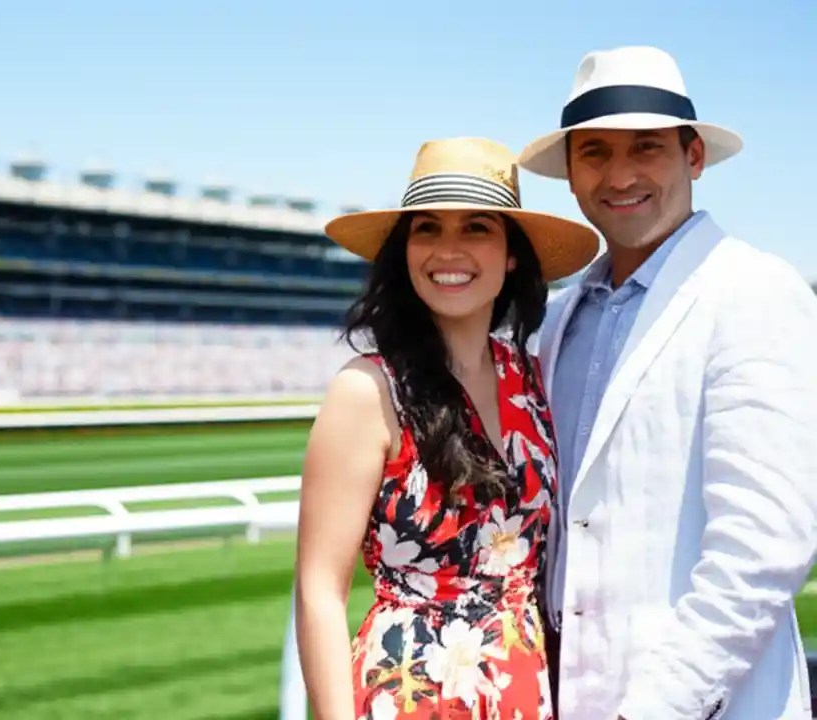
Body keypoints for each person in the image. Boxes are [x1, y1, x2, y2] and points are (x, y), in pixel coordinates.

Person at [519, 45, 817, 719]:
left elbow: (764, 545)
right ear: (569, 173)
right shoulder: (557, 319)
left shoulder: (754, 292)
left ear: (694, 157)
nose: (619, 174)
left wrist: (655, 708)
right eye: (594, 151)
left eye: (645, 147)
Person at [293, 136, 599, 719]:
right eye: (427, 228)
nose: (447, 250)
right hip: (409, 694)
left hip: (524, 691)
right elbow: (318, 593)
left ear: (512, 253)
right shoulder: (367, 391)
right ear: (403, 252)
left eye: (477, 227)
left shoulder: (533, 378)